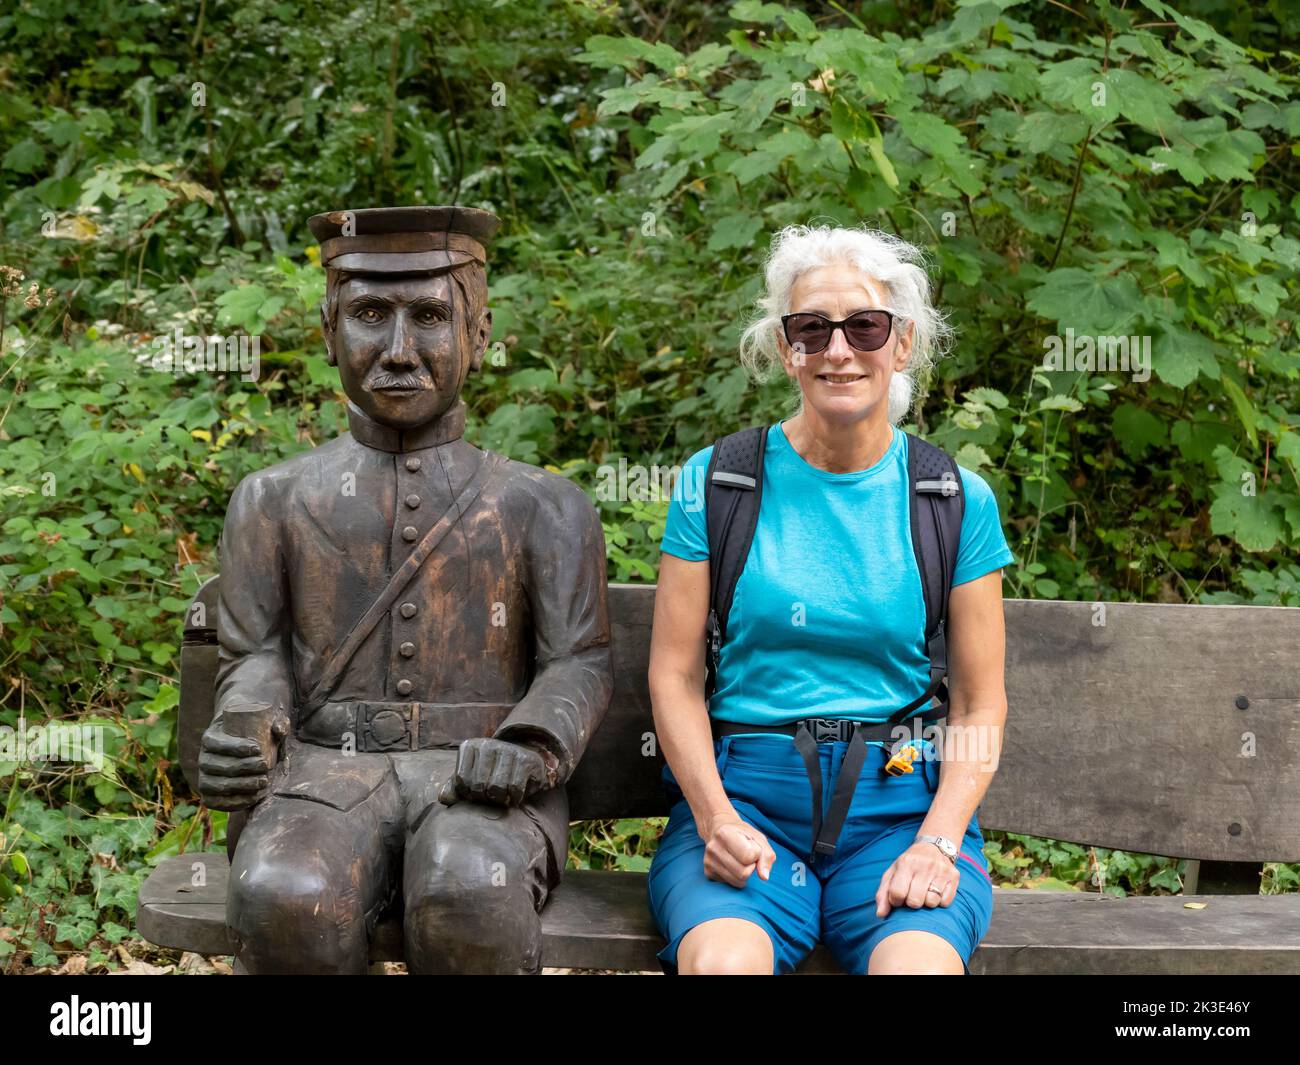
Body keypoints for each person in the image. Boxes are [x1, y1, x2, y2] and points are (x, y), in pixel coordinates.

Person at [197, 206, 613, 974]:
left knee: (471, 889)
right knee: (283, 890)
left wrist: (528, 746)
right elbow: (254, 654)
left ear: (478, 333)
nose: (397, 349)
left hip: (480, 783)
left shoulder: (546, 507)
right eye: (367, 315)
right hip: (319, 776)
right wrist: (248, 723)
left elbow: (578, 662)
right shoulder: (273, 500)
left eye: (427, 315)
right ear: (329, 333)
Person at [646, 223, 1014, 975]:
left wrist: (938, 841)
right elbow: (674, 676)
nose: (838, 349)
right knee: (722, 966)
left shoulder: (950, 498)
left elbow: (980, 704)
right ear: (788, 350)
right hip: (746, 808)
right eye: (812, 329)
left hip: (900, 814)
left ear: (901, 343)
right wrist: (715, 817)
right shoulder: (720, 483)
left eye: (865, 326)